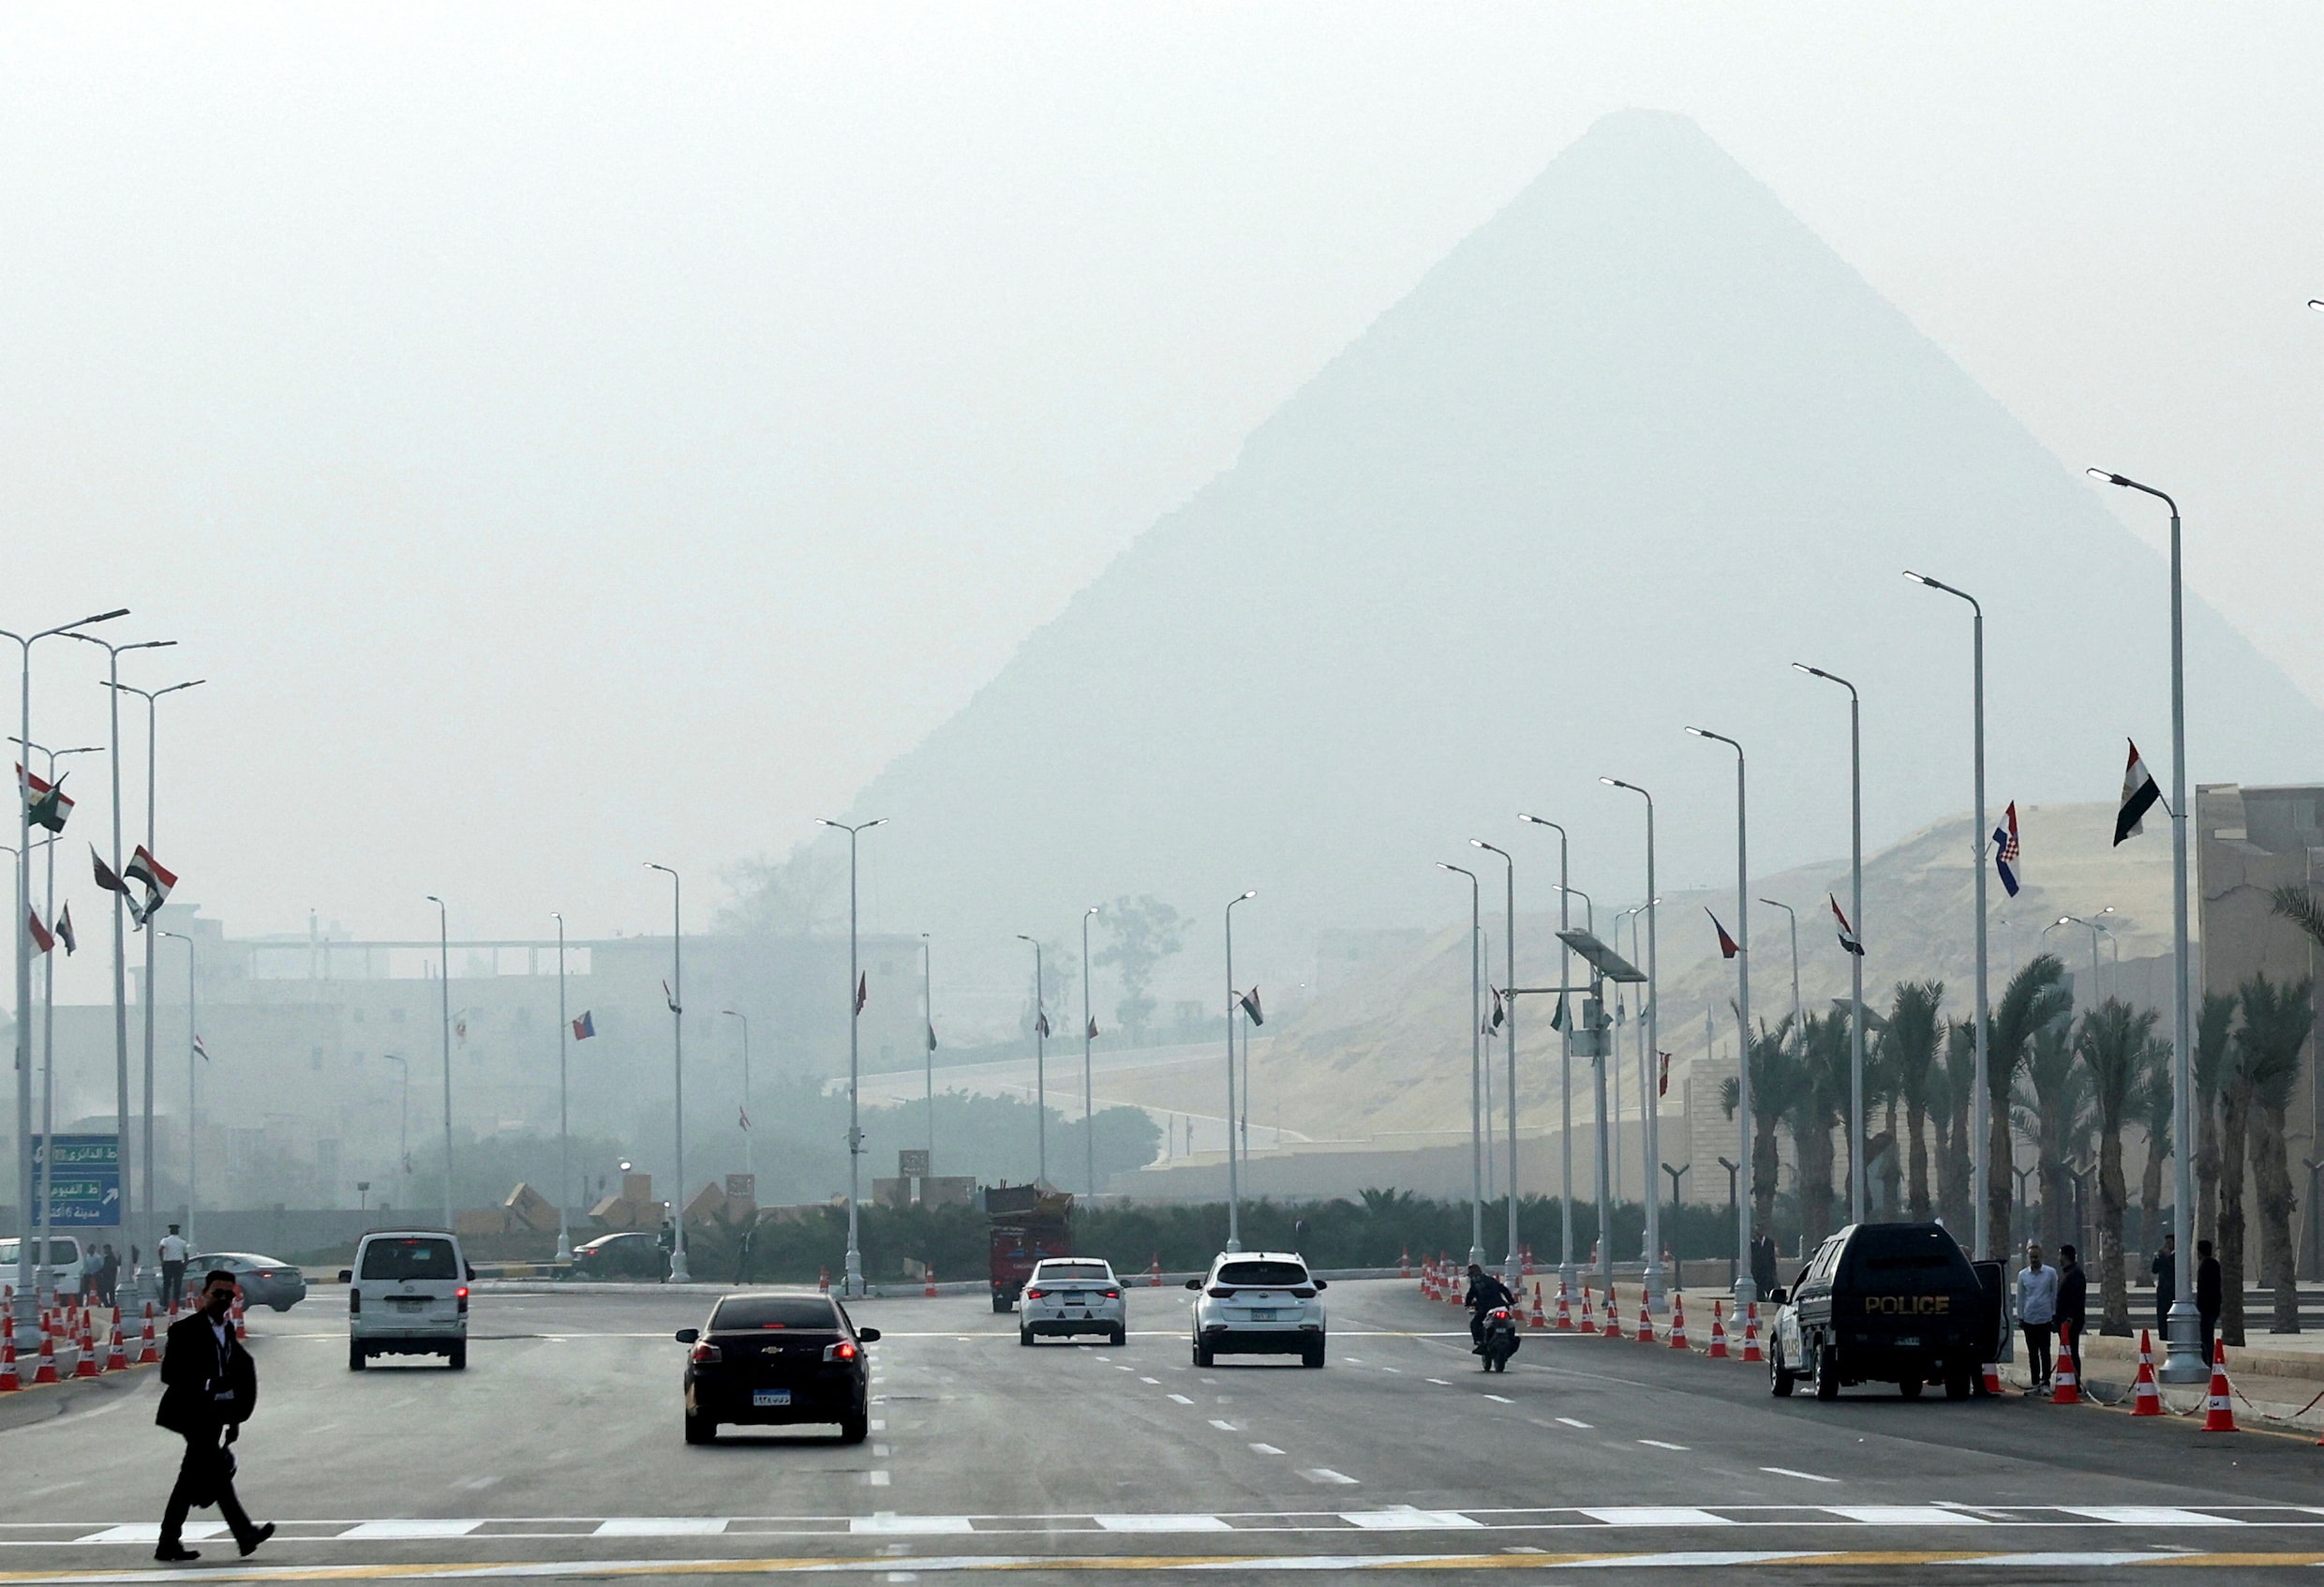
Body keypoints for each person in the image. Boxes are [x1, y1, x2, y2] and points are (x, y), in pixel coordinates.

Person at [154, 1269, 275, 1563]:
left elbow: (234, 1373)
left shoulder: (228, 1329)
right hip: (189, 1411)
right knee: (217, 1475)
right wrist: (207, 1384)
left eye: (228, 1295)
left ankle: (168, 1542)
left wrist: (234, 1420)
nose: (223, 1299)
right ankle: (244, 1534)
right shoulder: (184, 1330)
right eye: (217, 1293)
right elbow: (169, 1374)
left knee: (190, 1478)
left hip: (215, 1413)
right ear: (203, 1296)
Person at [2015, 1242, 2058, 1393]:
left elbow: (2054, 1294)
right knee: (2032, 1352)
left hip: (2045, 1317)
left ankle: (2045, 1382)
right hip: (2029, 1318)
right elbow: (2020, 1297)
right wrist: (2020, 1316)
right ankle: (2035, 1382)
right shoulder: (2023, 1275)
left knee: (2045, 1352)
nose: (2034, 1260)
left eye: (2036, 1257)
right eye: (2031, 1257)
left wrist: (2054, 1314)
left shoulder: (2050, 1273)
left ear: (2041, 1257)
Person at [1463, 1262, 1514, 1352]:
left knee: (1475, 1324)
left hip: (1486, 1308)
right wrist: (1511, 1301)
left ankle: (1480, 1342)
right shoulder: (1491, 1279)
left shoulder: (1476, 1283)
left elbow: (1470, 1294)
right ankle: (1512, 1338)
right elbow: (1503, 1289)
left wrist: (1468, 1304)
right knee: (1509, 1322)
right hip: (1501, 1305)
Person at [2056, 1244, 2087, 1385]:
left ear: (2065, 1256)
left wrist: (2070, 1317)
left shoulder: (2075, 1274)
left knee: (2072, 1350)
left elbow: (2076, 1298)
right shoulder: (2067, 1273)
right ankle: (2068, 1379)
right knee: (2067, 1351)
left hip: (2071, 1321)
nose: (2058, 1258)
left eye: (2060, 1254)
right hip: (2063, 1320)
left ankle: (2075, 1381)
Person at [2197, 1238, 2223, 1361]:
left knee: (2206, 1337)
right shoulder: (2214, 1264)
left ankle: (2209, 1360)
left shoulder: (2206, 1266)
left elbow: (2204, 1290)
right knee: (2207, 1336)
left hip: (2206, 1308)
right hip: (2213, 1306)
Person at [2151, 1234, 2176, 1340]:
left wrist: (2166, 1257)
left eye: (2169, 1243)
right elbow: (2154, 1269)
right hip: (2162, 1290)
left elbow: (2172, 1269)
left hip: (2173, 1290)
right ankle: (2163, 1335)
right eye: (2166, 1243)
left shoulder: (2177, 1256)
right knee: (2162, 1315)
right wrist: (2158, 1257)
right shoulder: (2161, 1256)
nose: (2167, 1245)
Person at [157, 1225, 189, 1308]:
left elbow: (160, 1249)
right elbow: (186, 1254)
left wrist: (162, 1260)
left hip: (168, 1263)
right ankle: (176, 1303)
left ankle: (165, 1304)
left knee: (167, 1284)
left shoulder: (165, 1240)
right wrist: (185, 1264)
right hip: (178, 1264)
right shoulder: (182, 1241)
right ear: (178, 1232)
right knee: (177, 1284)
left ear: (170, 1231)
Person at [1750, 1230, 1780, 1301]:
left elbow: (1772, 1258)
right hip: (1757, 1273)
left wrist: (1774, 1270)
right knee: (1759, 1294)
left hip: (1767, 1272)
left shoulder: (1769, 1242)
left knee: (1770, 1289)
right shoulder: (1752, 1244)